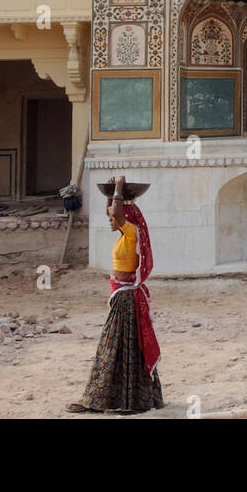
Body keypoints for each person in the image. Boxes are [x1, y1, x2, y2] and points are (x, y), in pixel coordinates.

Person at [67, 175, 163, 413]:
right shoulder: (126, 235)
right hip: (123, 296)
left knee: (112, 348)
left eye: (114, 215)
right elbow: (114, 214)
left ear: (125, 218)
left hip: (126, 299)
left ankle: (106, 400)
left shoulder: (131, 233)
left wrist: (119, 187)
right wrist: (111, 195)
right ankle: (125, 399)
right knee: (126, 347)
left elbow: (117, 215)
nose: (110, 218)